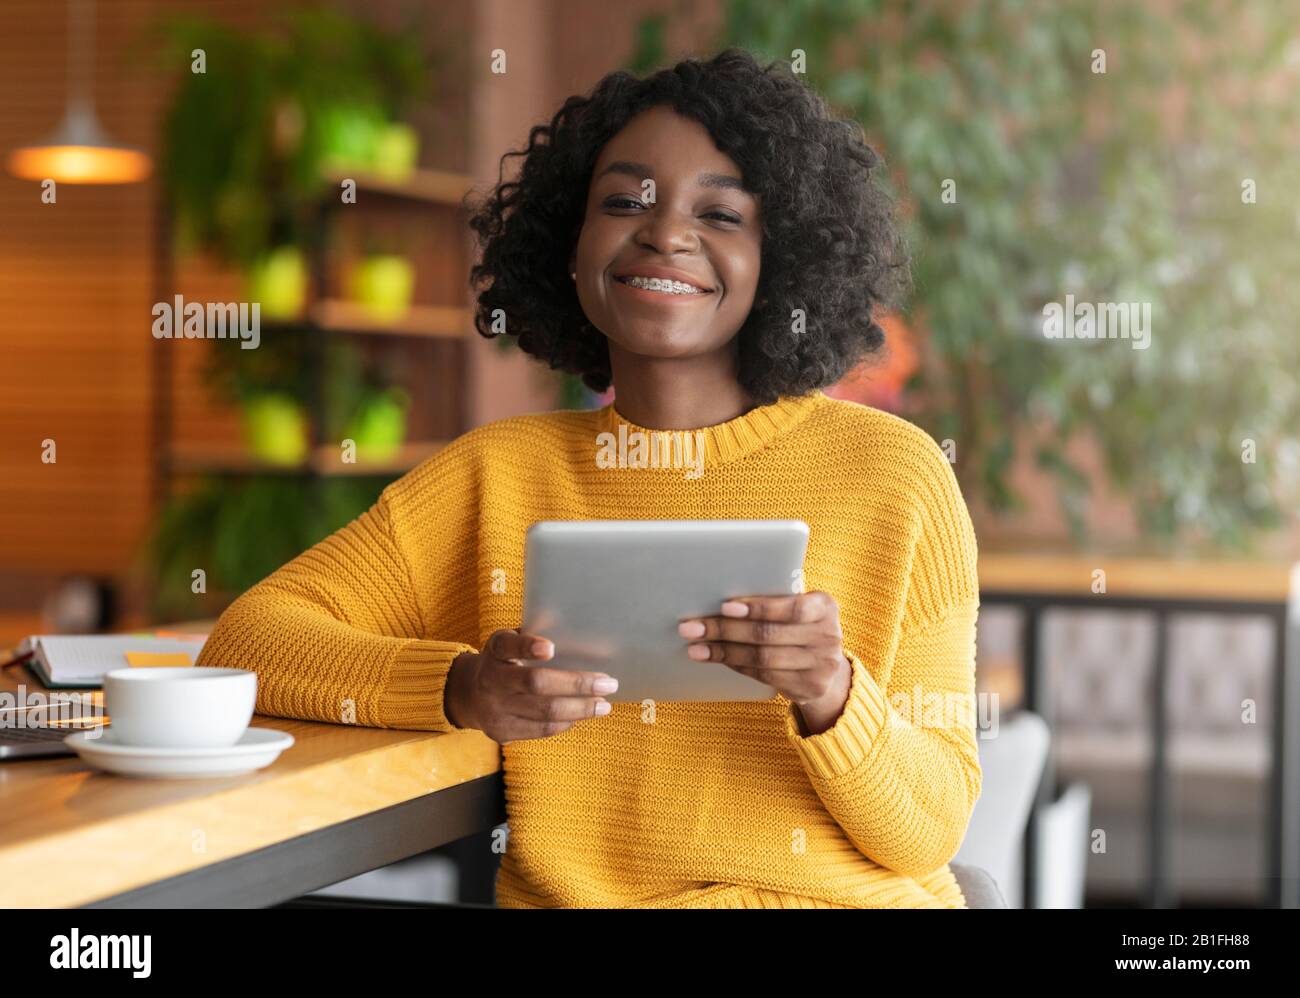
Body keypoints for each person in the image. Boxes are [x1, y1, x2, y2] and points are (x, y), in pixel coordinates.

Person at [196, 48, 982, 908]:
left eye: (720, 215)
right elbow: (249, 643)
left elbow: (932, 830)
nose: (666, 232)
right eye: (624, 201)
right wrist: (464, 687)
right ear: (568, 246)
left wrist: (832, 693)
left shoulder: (896, 476)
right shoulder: (497, 474)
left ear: (783, 262)